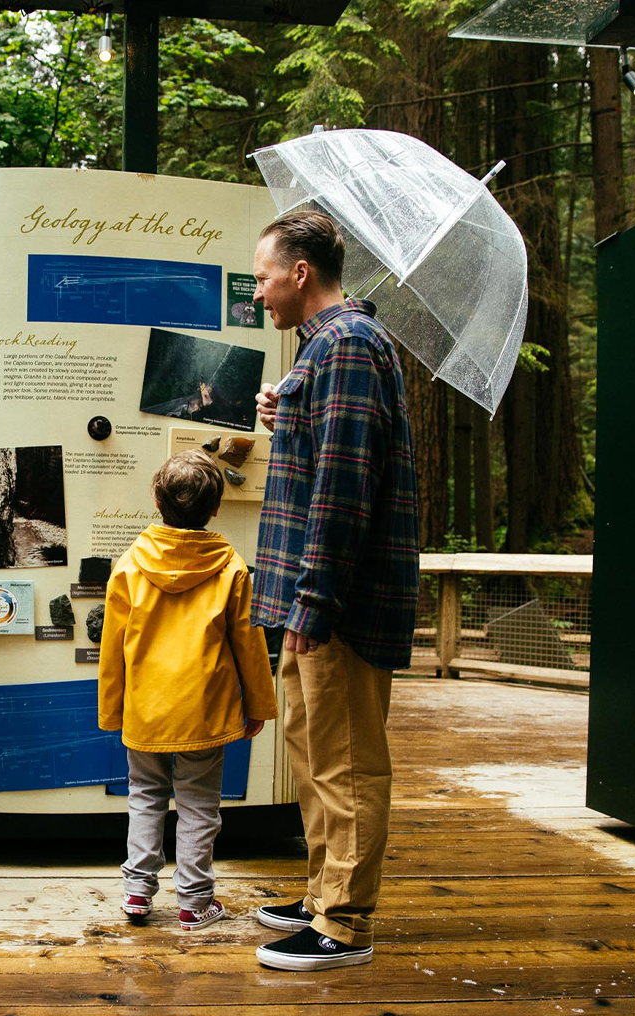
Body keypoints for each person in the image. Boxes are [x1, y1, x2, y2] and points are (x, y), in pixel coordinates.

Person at [246, 211, 419, 971]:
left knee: (346, 761)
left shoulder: (348, 346)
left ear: (300, 273)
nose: (258, 295)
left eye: (262, 279)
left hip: (337, 604)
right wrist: (285, 415)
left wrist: (315, 602)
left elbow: (345, 490)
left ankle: (344, 922)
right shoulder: (325, 350)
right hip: (308, 596)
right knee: (315, 754)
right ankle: (323, 891)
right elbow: (323, 456)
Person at [98, 450, 278, 930]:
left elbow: (111, 647)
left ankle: (137, 892)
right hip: (204, 709)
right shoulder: (231, 567)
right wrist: (258, 704)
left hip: (146, 709)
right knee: (199, 805)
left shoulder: (129, 565)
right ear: (215, 508)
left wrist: (112, 710)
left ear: (157, 502)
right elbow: (249, 643)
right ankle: (195, 902)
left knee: (144, 796)